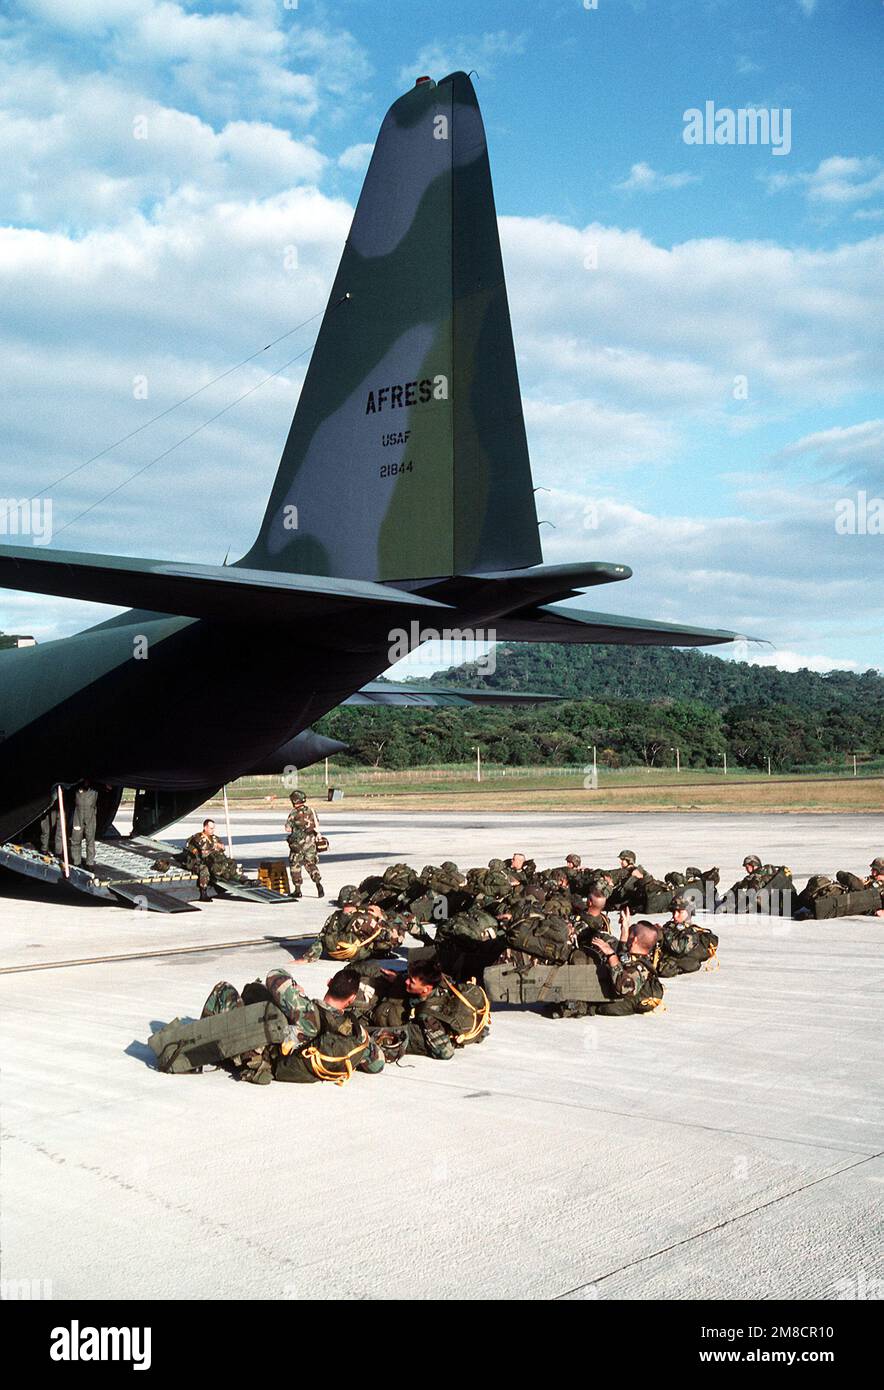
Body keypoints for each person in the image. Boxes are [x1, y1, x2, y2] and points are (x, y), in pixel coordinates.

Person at [552, 918, 664, 1018]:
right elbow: (623, 955)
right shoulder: (634, 956)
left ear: (634, 939)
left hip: (611, 1002)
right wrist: (624, 928)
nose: (628, 934)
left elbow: (625, 987)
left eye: (631, 933)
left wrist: (611, 955)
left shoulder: (641, 968)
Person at [401, 956, 491, 1059]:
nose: (406, 982)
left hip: (456, 1029)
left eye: (411, 982)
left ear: (426, 989)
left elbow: (446, 1052)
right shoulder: (441, 979)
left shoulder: (426, 1013)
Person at [304, 901, 403, 963]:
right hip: (356, 954)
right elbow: (387, 936)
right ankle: (382, 954)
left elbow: (322, 936)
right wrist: (380, 917)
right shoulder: (364, 918)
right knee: (393, 937)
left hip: (334, 953)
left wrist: (308, 957)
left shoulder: (334, 916)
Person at [184, 818, 244, 902]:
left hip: (211, 861)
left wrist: (220, 846)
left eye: (213, 828)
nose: (213, 830)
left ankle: (242, 879)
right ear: (205, 827)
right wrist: (214, 846)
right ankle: (203, 893)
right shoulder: (197, 837)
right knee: (204, 869)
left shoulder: (215, 838)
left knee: (228, 863)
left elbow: (222, 849)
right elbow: (202, 851)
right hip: (198, 862)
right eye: (211, 828)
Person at [657, 896, 719, 977]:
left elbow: (679, 948)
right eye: (673, 912)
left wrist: (662, 933)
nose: (675, 916)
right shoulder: (671, 926)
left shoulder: (691, 933)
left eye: (680, 912)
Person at [284, 789, 324, 899]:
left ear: (294, 800)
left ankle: (297, 890)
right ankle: (317, 882)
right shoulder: (311, 810)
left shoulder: (293, 813)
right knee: (310, 863)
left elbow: (287, 828)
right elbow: (316, 824)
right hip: (310, 842)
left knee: (295, 865)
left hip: (298, 843)